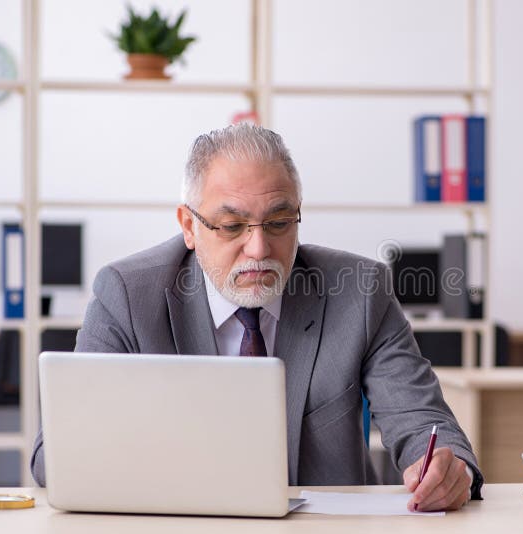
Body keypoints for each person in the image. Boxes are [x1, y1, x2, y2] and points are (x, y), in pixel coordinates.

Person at [31, 123, 483, 511]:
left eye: (279, 222)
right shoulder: (128, 295)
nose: (259, 248)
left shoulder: (359, 292)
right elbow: (55, 456)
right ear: (189, 227)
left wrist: (447, 464)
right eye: (231, 227)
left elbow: (423, 418)